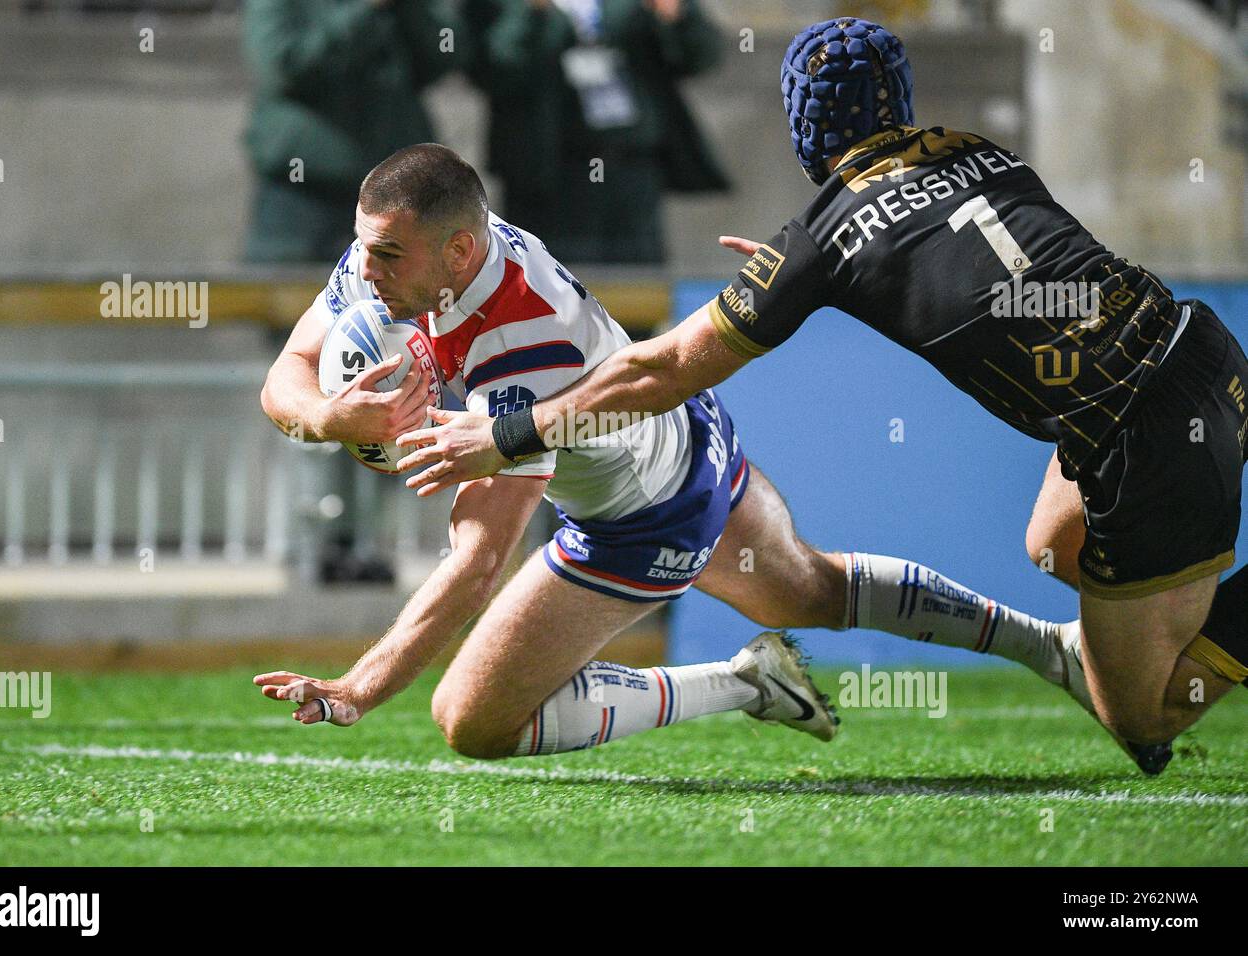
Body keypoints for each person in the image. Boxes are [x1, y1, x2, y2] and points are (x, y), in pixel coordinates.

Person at [396, 18, 1248, 774]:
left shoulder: (821, 240)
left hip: (1139, 431)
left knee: (1143, 716)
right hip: (1199, 350)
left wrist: (508, 434)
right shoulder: (977, 150)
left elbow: (656, 376)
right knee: (1052, 545)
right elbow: (964, 259)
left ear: (804, 125)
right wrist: (795, 276)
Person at [254, 144, 1079, 762]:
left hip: (641, 518)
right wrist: (331, 418)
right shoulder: (407, 257)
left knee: (471, 723)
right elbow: (286, 374)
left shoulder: (522, 349)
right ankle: (1048, 644)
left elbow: (477, 562)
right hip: (683, 427)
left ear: (460, 253)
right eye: (365, 246)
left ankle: (741, 684)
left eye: (386, 254)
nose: (365, 268)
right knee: (809, 588)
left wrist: (360, 687)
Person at [462, 0, 729, 263]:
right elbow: (492, 69)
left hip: (631, 168)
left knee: (638, 290)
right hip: (549, 176)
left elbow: (702, 56)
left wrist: (675, 15)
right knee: (551, 287)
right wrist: (531, 15)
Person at [242, 0, 464, 264]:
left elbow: (448, 54)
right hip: (302, 194)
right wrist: (365, 10)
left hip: (394, 196)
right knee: (285, 297)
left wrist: (409, 9)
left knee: (398, 297)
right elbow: (284, 67)